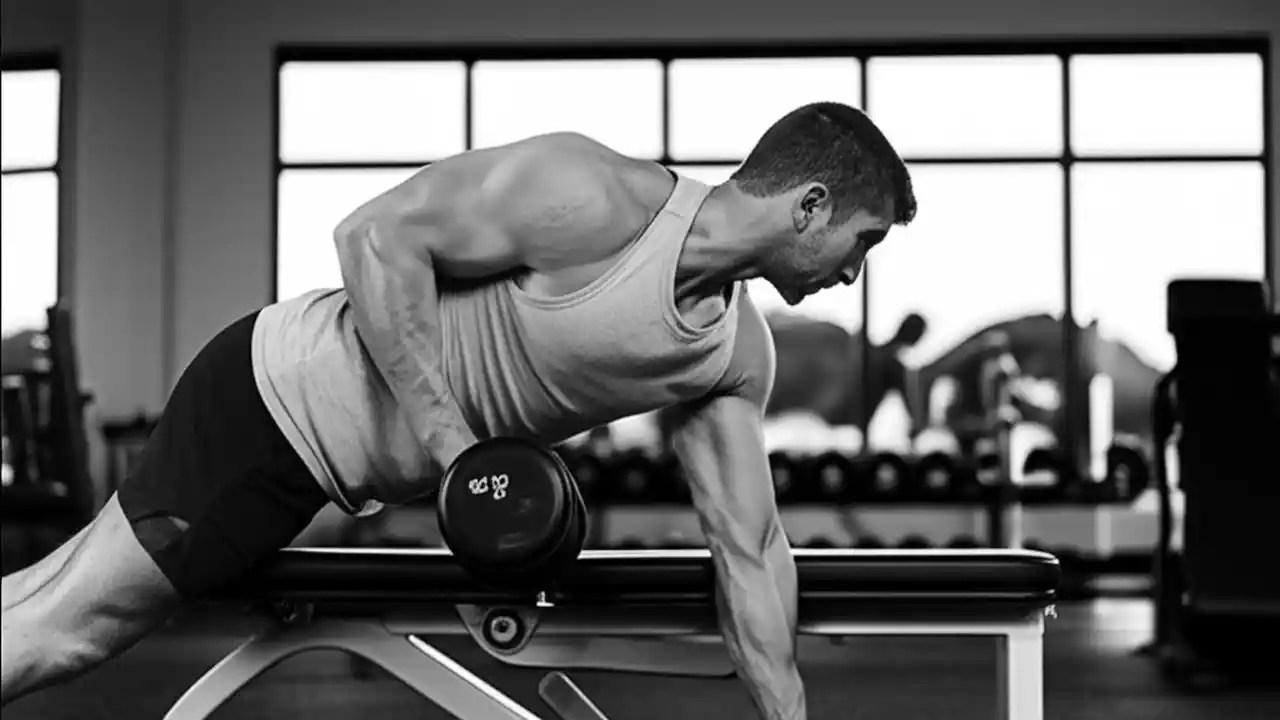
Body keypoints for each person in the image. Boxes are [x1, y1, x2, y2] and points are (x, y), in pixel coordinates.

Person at [0, 101, 915, 719]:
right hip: (276, 401)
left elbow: (749, 552)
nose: (852, 269)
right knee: (72, 635)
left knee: (36, 602)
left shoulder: (728, 355)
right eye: (861, 241)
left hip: (312, 456)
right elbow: (372, 236)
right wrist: (459, 459)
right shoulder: (594, 197)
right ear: (810, 205)